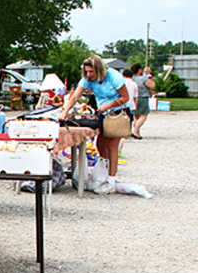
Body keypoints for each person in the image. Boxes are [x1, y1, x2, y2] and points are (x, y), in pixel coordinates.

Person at [59, 54, 130, 194]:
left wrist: (109, 105)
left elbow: (125, 97)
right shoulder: (87, 79)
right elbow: (75, 96)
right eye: (87, 71)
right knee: (100, 144)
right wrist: (65, 111)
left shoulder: (115, 77)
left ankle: (111, 180)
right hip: (103, 113)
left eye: (92, 71)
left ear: (99, 69)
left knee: (112, 145)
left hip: (117, 112)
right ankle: (104, 172)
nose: (89, 74)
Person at [131, 63, 155, 139]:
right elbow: (152, 85)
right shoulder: (143, 79)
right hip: (143, 98)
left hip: (133, 98)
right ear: (140, 70)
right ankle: (135, 131)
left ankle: (137, 133)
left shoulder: (132, 78)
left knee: (136, 116)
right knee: (143, 116)